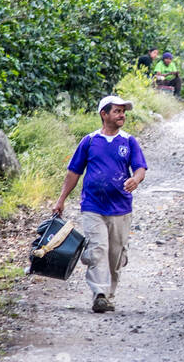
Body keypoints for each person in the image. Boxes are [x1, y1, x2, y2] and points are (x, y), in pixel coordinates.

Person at [53, 95, 147, 313]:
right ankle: (100, 294)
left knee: (115, 254)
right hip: (92, 206)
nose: (122, 115)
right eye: (117, 111)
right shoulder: (89, 141)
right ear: (104, 114)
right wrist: (61, 200)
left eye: (123, 111)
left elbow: (140, 167)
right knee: (98, 249)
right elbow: (74, 172)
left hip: (121, 208)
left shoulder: (129, 141)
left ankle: (110, 294)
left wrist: (136, 179)